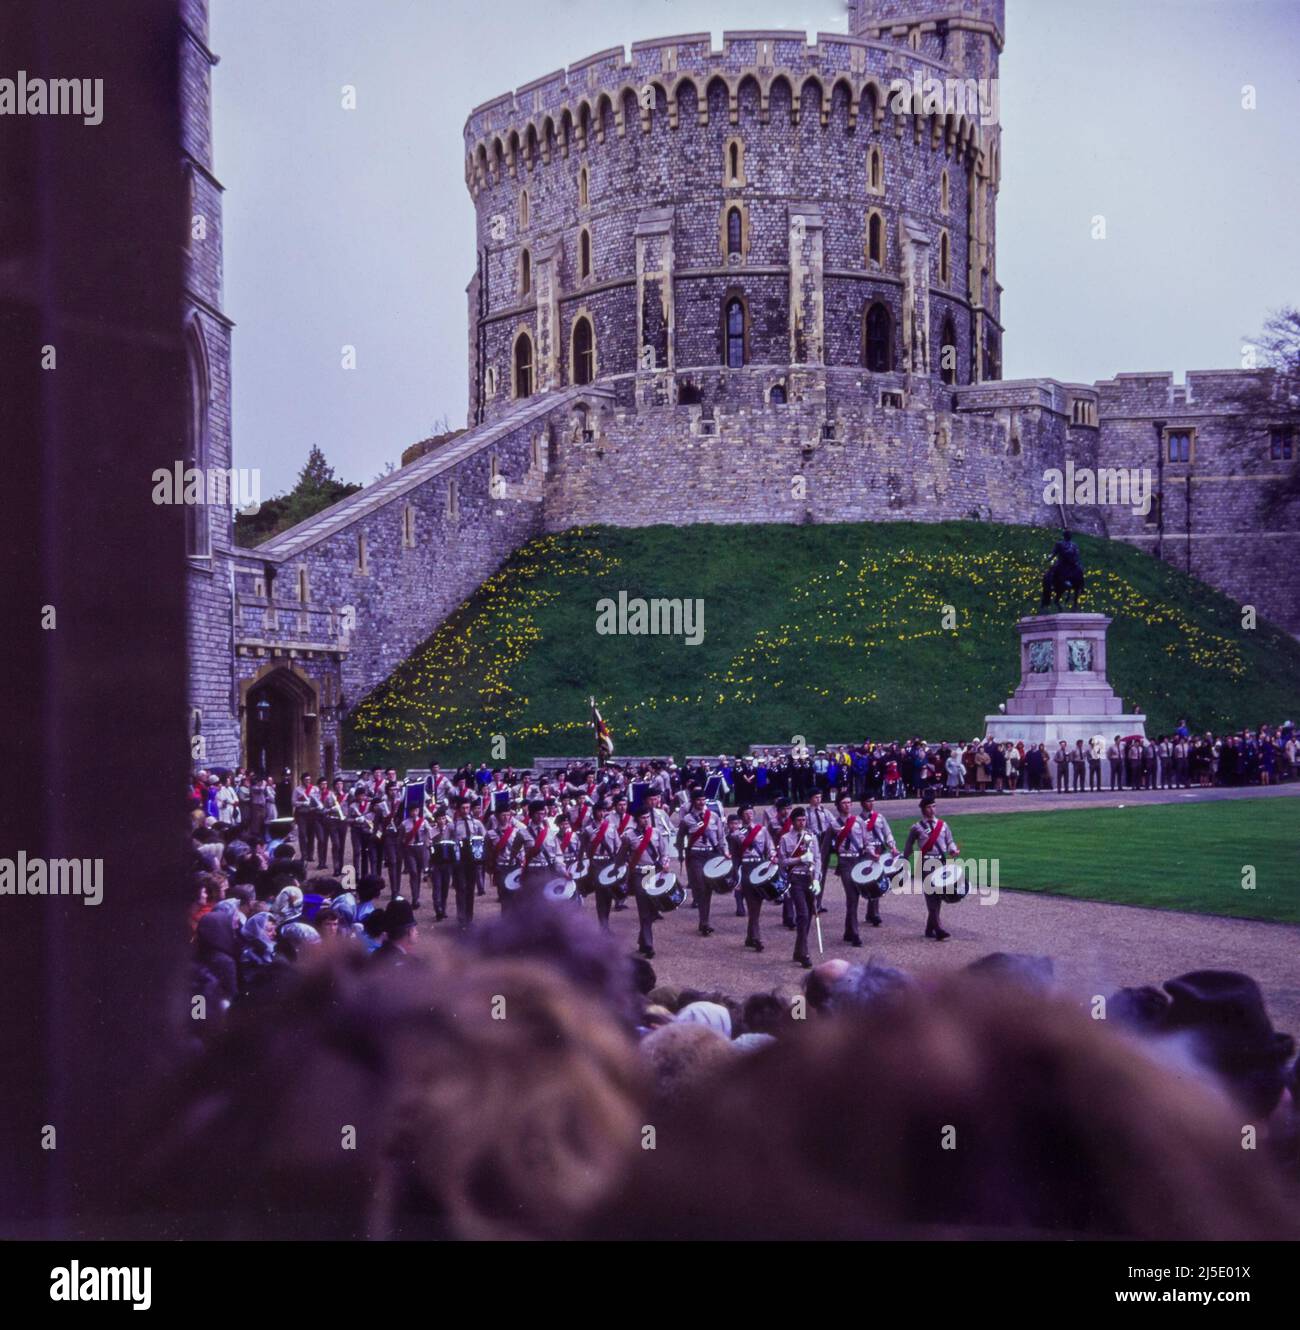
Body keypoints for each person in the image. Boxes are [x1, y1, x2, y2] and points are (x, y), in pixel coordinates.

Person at [903, 793, 960, 942]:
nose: (932, 810)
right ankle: (938, 928)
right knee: (931, 896)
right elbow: (908, 846)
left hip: (941, 863)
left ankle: (930, 928)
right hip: (926, 863)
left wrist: (953, 850)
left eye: (934, 806)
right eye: (929, 807)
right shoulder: (916, 827)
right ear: (923, 809)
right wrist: (903, 859)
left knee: (938, 896)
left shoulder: (943, 825)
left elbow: (950, 841)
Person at [618, 807, 671, 960]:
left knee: (653, 909)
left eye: (647, 817)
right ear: (636, 820)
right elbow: (621, 856)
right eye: (642, 818)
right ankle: (649, 945)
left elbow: (664, 852)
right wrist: (618, 873)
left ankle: (642, 941)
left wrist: (665, 863)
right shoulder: (628, 836)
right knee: (644, 909)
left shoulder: (656, 833)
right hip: (639, 874)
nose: (646, 820)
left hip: (655, 873)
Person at [677, 788, 726, 937]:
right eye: (698, 800)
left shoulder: (714, 817)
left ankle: (704, 921)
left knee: (709, 887)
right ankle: (703, 919)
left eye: (703, 800)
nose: (702, 802)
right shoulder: (687, 819)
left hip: (711, 853)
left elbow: (721, 836)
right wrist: (680, 854)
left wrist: (724, 852)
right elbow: (680, 838)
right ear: (693, 801)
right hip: (695, 855)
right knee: (700, 885)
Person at [777, 808, 821, 969]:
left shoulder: (811, 838)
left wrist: (817, 879)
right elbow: (782, 862)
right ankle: (804, 953)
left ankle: (798, 950)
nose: (802, 823)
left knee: (809, 915)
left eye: (804, 820)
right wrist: (799, 859)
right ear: (793, 821)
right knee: (802, 914)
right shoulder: (786, 838)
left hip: (809, 878)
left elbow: (817, 859)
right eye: (799, 820)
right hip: (795, 879)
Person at [730, 805, 777, 954]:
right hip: (746, 868)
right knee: (752, 903)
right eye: (746, 814)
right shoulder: (735, 835)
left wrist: (773, 856)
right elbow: (735, 857)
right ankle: (756, 938)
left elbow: (770, 847)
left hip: (760, 866)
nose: (749, 816)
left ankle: (750, 937)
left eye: (751, 813)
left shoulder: (762, 830)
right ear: (741, 817)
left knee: (757, 903)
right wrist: (736, 876)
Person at [451, 793, 489, 927]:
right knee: (461, 887)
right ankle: (461, 917)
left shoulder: (476, 823)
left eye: (468, 808)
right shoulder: (453, 825)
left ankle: (469, 917)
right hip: (459, 859)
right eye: (463, 808)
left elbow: (485, 837)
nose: (466, 811)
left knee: (470, 888)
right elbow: (448, 841)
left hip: (473, 859)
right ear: (458, 810)